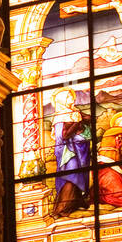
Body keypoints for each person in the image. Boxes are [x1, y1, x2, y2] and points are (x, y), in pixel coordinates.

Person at [50, 89, 91, 217]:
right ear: (61, 100)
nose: (72, 99)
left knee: (79, 173)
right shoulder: (59, 117)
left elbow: (90, 119)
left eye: (72, 97)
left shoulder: (74, 112)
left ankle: (77, 201)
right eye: (68, 97)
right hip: (67, 152)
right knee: (71, 175)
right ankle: (62, 207)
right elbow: (64, 136)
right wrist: (77, 122)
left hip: (79, 150)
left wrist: (80, 118)